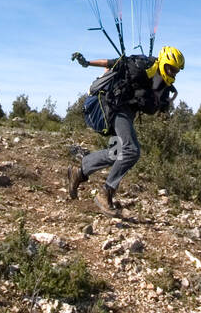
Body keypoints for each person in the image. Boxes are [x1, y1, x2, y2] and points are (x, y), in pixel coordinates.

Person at [67, 45, 185, 212]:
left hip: (127, 114)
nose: (173, 73)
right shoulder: (140, 65)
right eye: (171, 69)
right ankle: (106, 192)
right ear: (163, 62)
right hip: (115, 108)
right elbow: (112, 63)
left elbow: (155, 107)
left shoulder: (164, 87)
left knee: (116, 154)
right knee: (131, 150)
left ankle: (78, 172)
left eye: (176, 71)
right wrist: (87, 63)